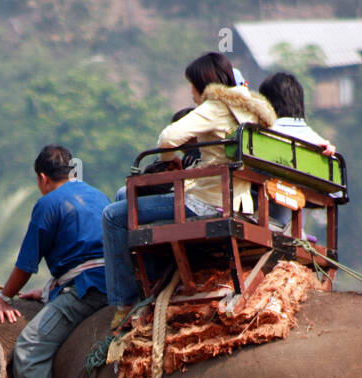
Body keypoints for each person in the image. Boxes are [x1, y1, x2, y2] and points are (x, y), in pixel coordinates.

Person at [100, 52, 275, 322]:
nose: (191, 94)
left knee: (113, 215)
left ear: (202, 84)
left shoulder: (215, 106)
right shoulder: (252, 111)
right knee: (131, 206)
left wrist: (170, 163)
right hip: (241, 204)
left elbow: (168, 137)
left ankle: (124, 302)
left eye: (191, 86)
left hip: (204, 204)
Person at [0, 144, 109, 378]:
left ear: (42, 178)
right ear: (72, 172)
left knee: (30, 346)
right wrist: (46, 292)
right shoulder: (97, 195)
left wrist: (3, 298)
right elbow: (88, 255)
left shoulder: (48, 203)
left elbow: (27, 265)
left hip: (87, 292)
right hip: (116, 285)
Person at [256, 72, 337, 233]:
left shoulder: (264, 136)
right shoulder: (321, 145)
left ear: (269, 104)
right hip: (296, 230)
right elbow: (334, 194)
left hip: (264, 224)